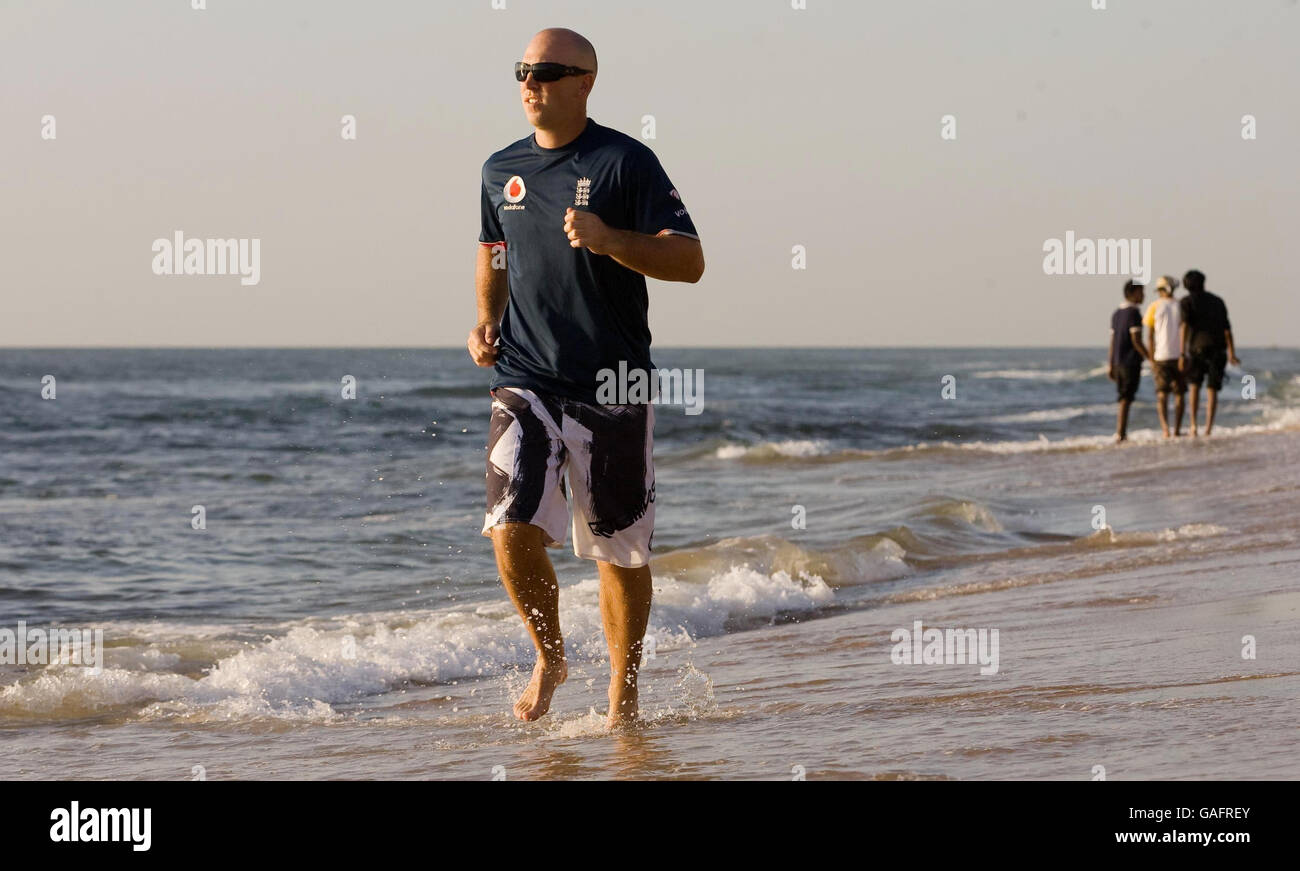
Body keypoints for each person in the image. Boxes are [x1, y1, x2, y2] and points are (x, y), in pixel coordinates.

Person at [467, 28, 705, 727]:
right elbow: (494, 252)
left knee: (618, 547)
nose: (530, 82)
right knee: (509, 524)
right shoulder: (497, 170)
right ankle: (551, 653)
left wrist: (611, 240)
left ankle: (622, 693)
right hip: (525, 372)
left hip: (615, 382)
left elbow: (688, 260)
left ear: (585, 83)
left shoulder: (626, 162)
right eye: (522, 70)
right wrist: (485, 318)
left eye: (545, 71)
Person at [1178, 270, 1240, 436]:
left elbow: (1184, 327)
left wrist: (1182, 353)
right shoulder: (1217, 301)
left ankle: (1193, 426)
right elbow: (1227, 330)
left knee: (1194, 387)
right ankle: (1208, 428)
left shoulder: (1186, 302)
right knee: (1212, 389)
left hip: (1196, 349)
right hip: (1218, 350)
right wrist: (1232, 353)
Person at [1108, 280, 1153, 442]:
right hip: (1130, 361)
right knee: (1126, 398)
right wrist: (1150, 358)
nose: (1143, 296)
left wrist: (1110, 363)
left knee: (1123, 397)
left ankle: (1121, 432)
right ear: (1133, 293)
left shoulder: (1117, 313)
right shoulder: (1134, 313)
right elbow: (1136, 340)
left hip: (1118, 361)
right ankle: (1121, 433)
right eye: (1141, 292)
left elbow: (1113, 341)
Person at [1143, 275, 1186, 437]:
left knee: (1170, 394)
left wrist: (1151, 358)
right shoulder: (1172, 306)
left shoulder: (1175, 306)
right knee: (1173, 394)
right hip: (1166, 355)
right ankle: (1170, 429)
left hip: (1167, 356)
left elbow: (1149, 336)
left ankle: (1169, 429)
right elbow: (1150, 334)